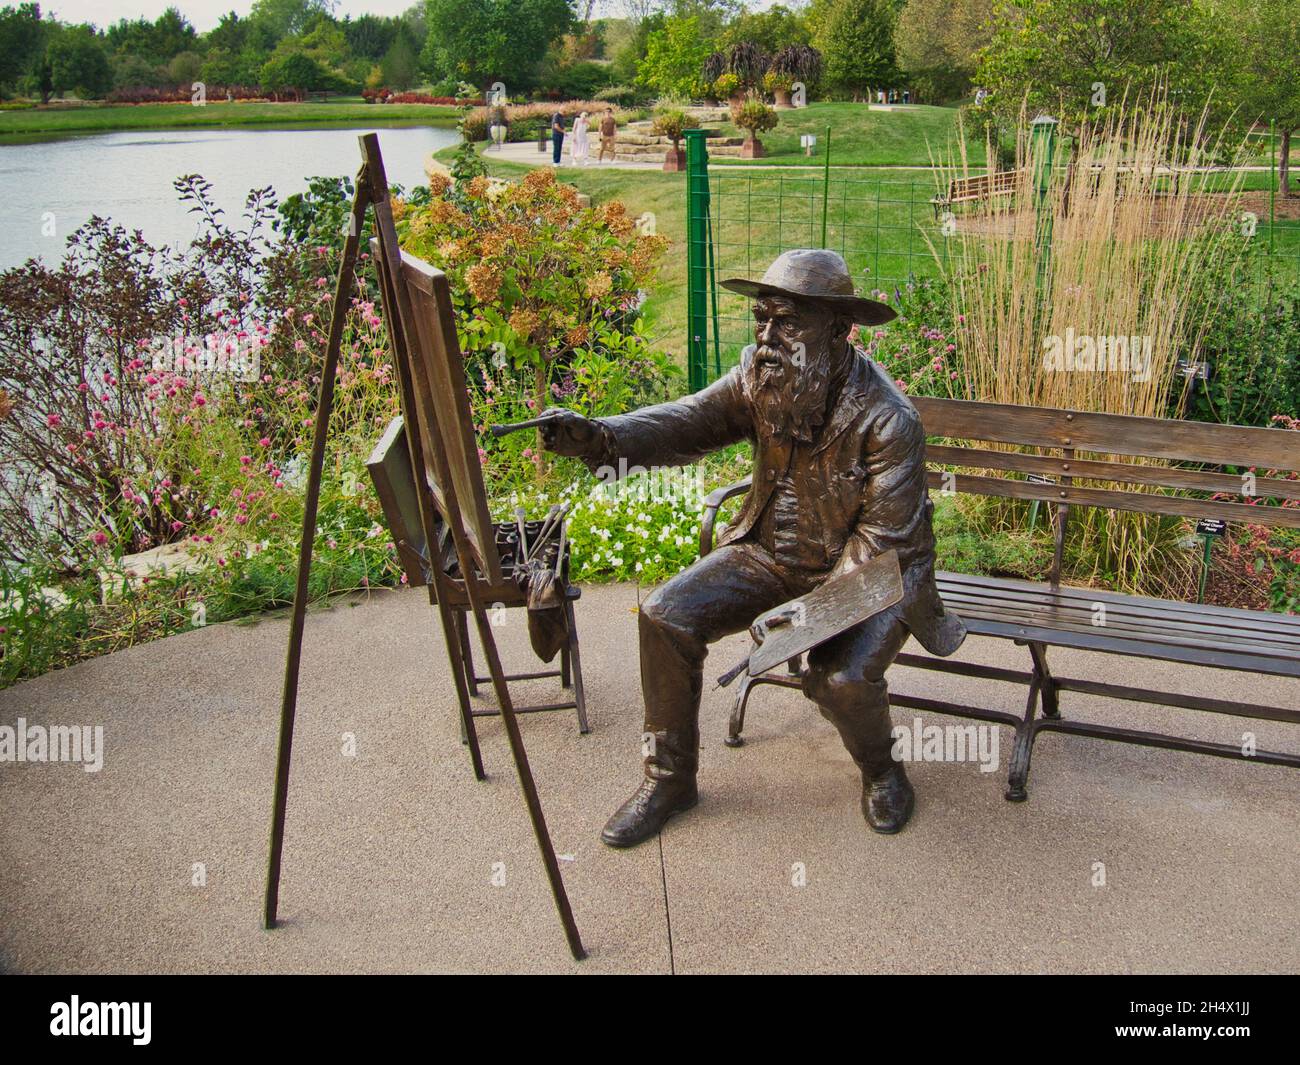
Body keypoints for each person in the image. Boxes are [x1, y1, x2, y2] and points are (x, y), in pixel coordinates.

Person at [538, 250, 967, 848]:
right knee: (665, 616)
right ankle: (669, 780)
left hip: (875, 578)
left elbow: (883, 544)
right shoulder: (759, 376)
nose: (767, 336)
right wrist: (602, 437)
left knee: (839, 678)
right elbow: (686, 423)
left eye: (787, 322)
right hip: (772, 556)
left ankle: (882, 769)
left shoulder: (888, 419)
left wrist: (805, 620)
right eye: (762, 318)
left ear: (839, 331)